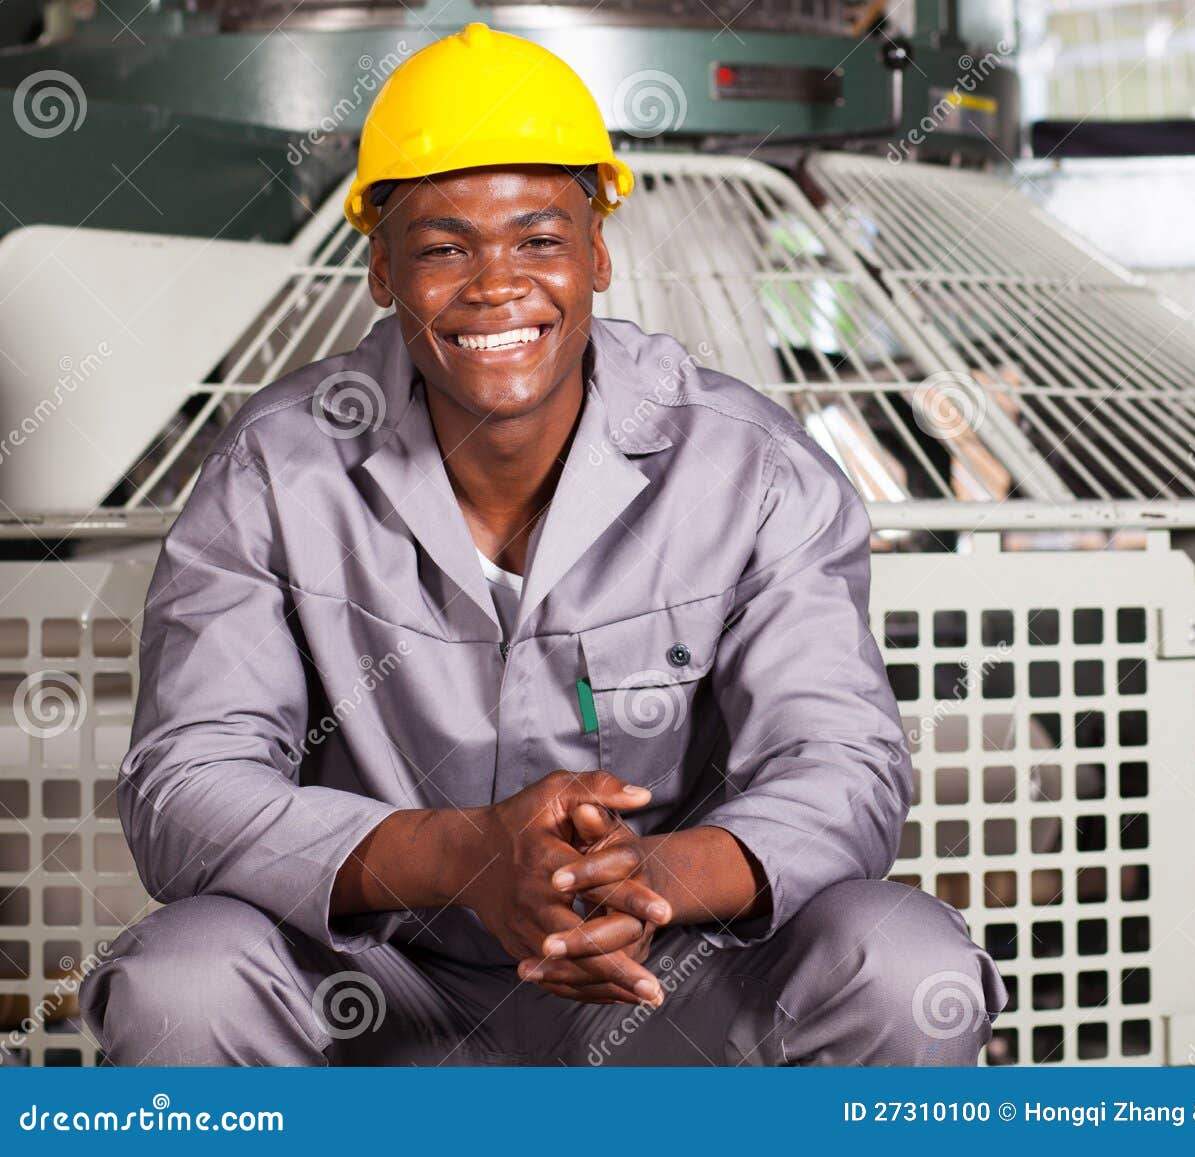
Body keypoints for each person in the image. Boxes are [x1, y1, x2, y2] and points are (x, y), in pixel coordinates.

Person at [80, 22, 1004, 1066]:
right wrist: (461, 857)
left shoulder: (752, 471)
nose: (495, 284)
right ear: (380, 268)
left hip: (662, 982)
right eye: (443, 248)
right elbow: (184, 785)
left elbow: (841, 765)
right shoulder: (273, 471)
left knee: (901, 961)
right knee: (183, 981)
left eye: (538, 241)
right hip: (378, 996)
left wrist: (648, 880)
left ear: (597, 252)